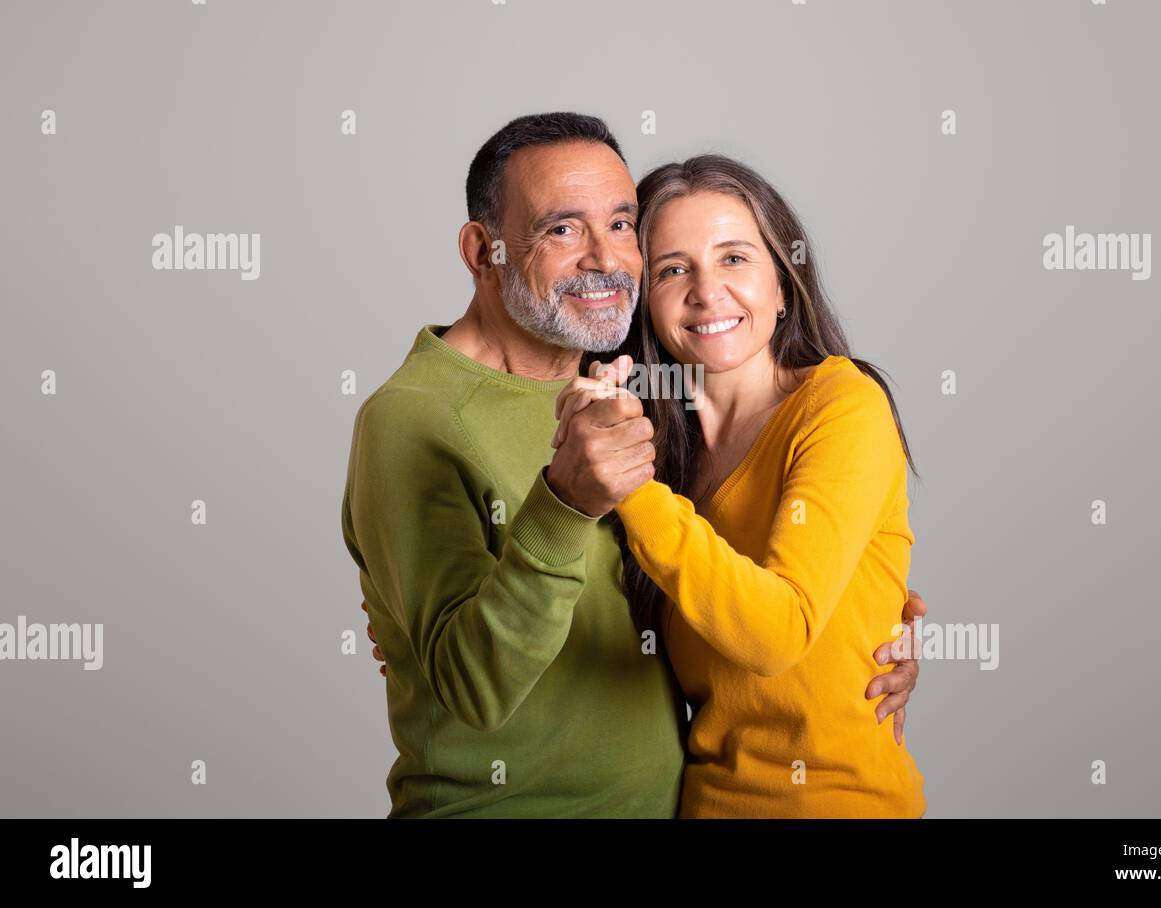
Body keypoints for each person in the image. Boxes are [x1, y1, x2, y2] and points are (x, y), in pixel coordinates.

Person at [346, 112, 924, 817]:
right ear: (482, 250)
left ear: (783, 281)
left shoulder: (629, 398)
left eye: (621, 225)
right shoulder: (415, 418)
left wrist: (873, 618)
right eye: (562, 228)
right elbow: (471, 680)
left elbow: (749, 603)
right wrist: (560, 506)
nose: (604, 258)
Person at [552, 155, 927, 816]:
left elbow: (776, 634)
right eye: (673, 269)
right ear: (647, 304)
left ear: (783, 285)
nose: (706, 291)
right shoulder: (663, 455)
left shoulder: (842, 407)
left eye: (734, 259)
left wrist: (628, 479)